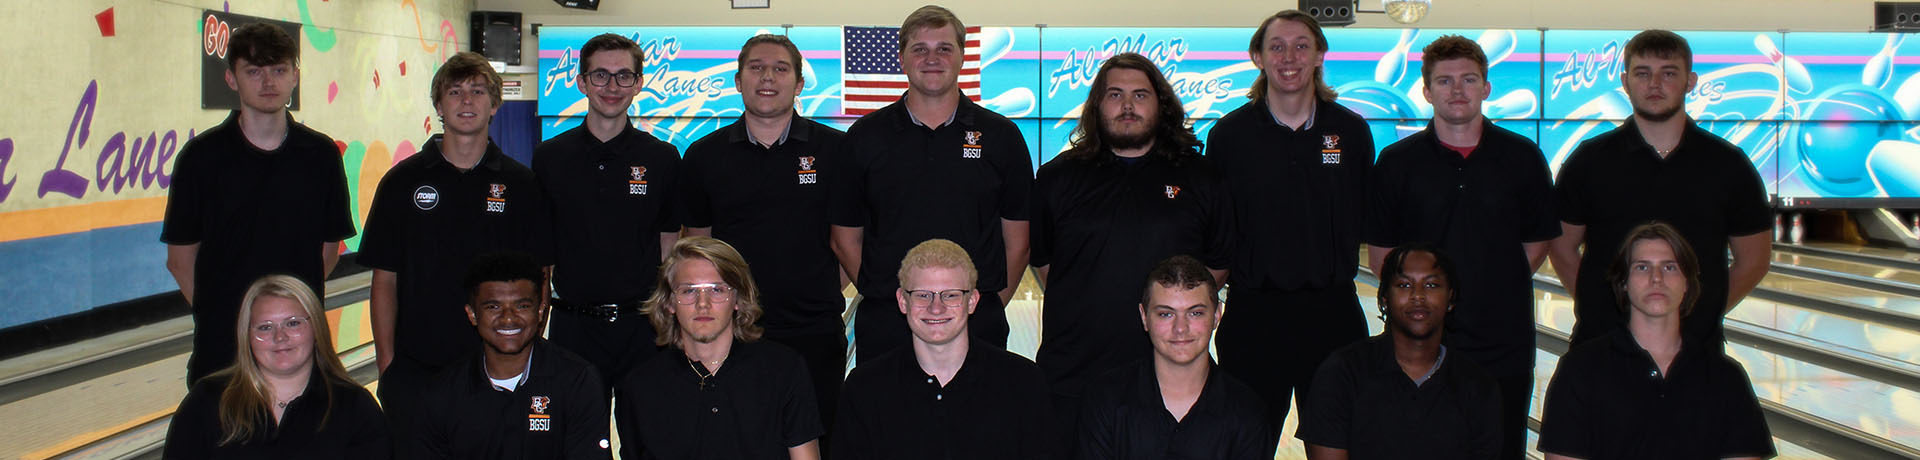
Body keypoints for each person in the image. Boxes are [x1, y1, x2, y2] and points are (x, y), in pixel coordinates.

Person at [1361, 35, 1556, 460]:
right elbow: (1381, 257)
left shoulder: (1523, 158)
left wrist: (1490, 285)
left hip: (1504, 339)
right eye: (1445, 81)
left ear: (1486, 88)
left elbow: (1538, 241)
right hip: (1417, 341)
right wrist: (1427, 300)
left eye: (1468, 79)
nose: (1457, 90)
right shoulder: (1396, 163)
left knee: (1501, 448)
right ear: (1427, 91)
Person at [1030, 52, 1233, 452]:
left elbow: (1217, 265)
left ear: (1160, 105)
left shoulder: (1201, 177)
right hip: (1072, 373)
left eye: (1140, 95)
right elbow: (1044, 262)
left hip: (1169, 377)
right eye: (1115, 95)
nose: (1127, 106)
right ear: (1096, 106)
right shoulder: (1058, 177)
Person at [359, 51, 553, 443]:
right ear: (438, 105)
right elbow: (385, 280)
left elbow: (541, 280)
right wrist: (387, 365)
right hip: (418, 369)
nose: (467, 101)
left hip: (497, 368)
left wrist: (522, 357)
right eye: (455, 91)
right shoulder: (402, 182)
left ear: (495, 104)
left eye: (478, 91)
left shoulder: (521, 184)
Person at [1204, 9, 1376, 449]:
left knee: (1340, 444)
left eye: (1302, 46)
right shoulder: (1229, 136)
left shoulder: (1350, 132)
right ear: (1257, 57)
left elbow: (1365, 215)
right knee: (1246, 444)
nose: (1289, 57)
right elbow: (1216, 228)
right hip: (1253, 317)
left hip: (1333, 314)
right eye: (1276, 46)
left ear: (1320, 55)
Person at [831, 5, 1034, 363]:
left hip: (976, 318)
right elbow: (845, 237)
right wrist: (887, 295)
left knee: (977, 419)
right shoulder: (864, 137)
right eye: (920, 49)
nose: (932, 58)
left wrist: (986, 302)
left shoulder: (1002, 136)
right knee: (886, 419)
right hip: (887, 319)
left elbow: (1017, 240)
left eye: (944, 48)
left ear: (961, 56)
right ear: (902, 59)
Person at [1547, 30, 1771, 347]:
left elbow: (1755, 260)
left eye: (1668, 73)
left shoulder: (1729, 165)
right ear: (1625, 82)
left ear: (1690, 81)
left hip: (1695, 352)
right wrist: (1598, 306)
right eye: (1643, 73)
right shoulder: (1589, 161)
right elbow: (1561, 247)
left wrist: (1703, 313)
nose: (1654, 84)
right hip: (1602, 344)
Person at [162, 22, 355, 385]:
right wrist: (230, 319)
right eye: (254, 71)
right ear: (231, 79)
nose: (268, 82)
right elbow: (180, 260)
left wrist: (285, 318)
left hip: (300, 348)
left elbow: (328, 253)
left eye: (279, 70)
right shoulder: (200, 158)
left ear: (295, 76)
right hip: (222, 353)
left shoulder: (321, 155)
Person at [682, 33, 849, 436]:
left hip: (815, 330)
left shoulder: (837, 151)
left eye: (780, 68)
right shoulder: (704, 155)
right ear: (738, 81)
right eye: (756, 68)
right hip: (731, 330)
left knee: (817, 437)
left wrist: (818, 288)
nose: (767, 77)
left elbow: (848, 239)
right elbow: (698, 251)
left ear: (799, 82)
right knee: (736, 440)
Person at [1537, 223, 1775, 460]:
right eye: (1642, 267)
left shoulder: (1726, 377)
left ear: (1687, 284)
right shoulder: (1580, 370)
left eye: (1670, 267)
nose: (1656, 278)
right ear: (1623, 283)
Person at [532, 33, 680, 407]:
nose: (612, 86)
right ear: (581, 82)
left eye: (623, 76)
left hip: (644, 326)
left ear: (638, 84)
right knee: (577, 444)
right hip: (573, 326)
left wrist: (671, 313)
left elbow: (669, 242)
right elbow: (542, 252)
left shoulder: (661, 157)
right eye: (600, 75)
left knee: (647, 442)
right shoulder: (550, 158)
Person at [834, 239, 1055, 459]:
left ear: (972, 301)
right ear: (903, 301)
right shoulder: (863, 389)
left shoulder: (1024, 384)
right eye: (922, 294)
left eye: (950, 295)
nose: (936, 308)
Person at [616, 237, 824, 459]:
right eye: (689, 291)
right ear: (669, 303)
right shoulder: (639, 386)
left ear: (738, 299)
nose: (702, 303)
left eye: (717, 290)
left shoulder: (783, 370)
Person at [1298, 245, 1503, 460]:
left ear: (1450, 298)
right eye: (1404, 285)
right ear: (1385, 297)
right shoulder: (1341, 374)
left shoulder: (1479, 388)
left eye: (1431, 285)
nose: (1418, 296)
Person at [164, 275, 391, 459]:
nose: (279, 337)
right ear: (247, 336)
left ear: (316, 329)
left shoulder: (355, 408)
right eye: (264, 327)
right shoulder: (206, 401)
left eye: (293, 323)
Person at [410, 252, 610, 459]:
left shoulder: (577, 381)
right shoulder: (441, 395)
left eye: (522, 306)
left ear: (541, 311)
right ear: (472, 314)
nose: (508, 318)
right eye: (493, 307)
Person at [1077, 255, 1272, 460]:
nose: (1180, 329)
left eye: (1195, 313)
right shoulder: (1104, 400)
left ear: (1216, 316)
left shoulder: (1248, 412)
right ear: (1144, 317)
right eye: (1165, 314)